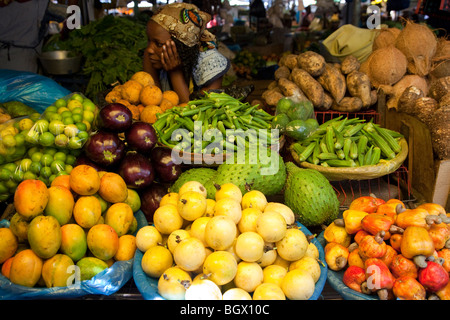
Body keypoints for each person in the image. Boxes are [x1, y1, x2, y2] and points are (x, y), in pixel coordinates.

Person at [143, 3, 230, 103]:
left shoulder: (212, 64)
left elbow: (193, 111)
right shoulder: (151, 54)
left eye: (158, 44)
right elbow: (152, 99)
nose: (149, 49)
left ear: (181, 45)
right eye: (149, 40)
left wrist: (175, 73)